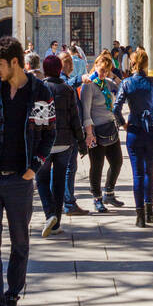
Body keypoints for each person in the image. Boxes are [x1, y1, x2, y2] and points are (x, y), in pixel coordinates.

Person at [0, 35, 56, 306]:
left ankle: (12, 297)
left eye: (0, 64)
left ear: (16, 63)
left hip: (20, 181)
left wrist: (33, 169)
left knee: (20, 243)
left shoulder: (40, 91)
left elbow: (48, 135)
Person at [37, 55, 88, 234]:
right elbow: (75, 119)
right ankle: (56, 224)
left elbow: (37, 121)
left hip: (45, 144)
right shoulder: (67, 89)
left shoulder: (40, 89)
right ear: (60, 69)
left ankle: (50, 213)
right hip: (65, 144)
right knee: (58, 182)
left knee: (42, 179)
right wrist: (82, 144)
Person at [113, 49, 153, 227]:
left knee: (137, 173)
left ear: (132, 64)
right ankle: (150, 210)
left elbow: (116, 107)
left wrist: (122, 124)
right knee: (149, 170)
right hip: (151, 131)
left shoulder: (127, 83)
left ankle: (140, 215)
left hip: (134, 130)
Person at [82, 51, 123, 213]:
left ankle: (109, 192)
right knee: (97, 165)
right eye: (102, 69)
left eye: (107, 69)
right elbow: (86, 111)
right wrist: (89, 133)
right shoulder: (89, 85)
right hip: (96, 130)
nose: (103, 72)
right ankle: (97, 197)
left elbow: (122, 87)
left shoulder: (107, 82)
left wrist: (113, 76)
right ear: (96, 66)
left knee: (117, 162)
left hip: (110, 128)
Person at [58, 51, 89, 215]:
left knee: (67, 168)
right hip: (67, 132)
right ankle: (68, 203)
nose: (71, 65)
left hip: (67, 132)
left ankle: (64, 201)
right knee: (69, 168)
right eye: (68, 62)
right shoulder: (62, 81)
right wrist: (80, 79)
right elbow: (68, 85)